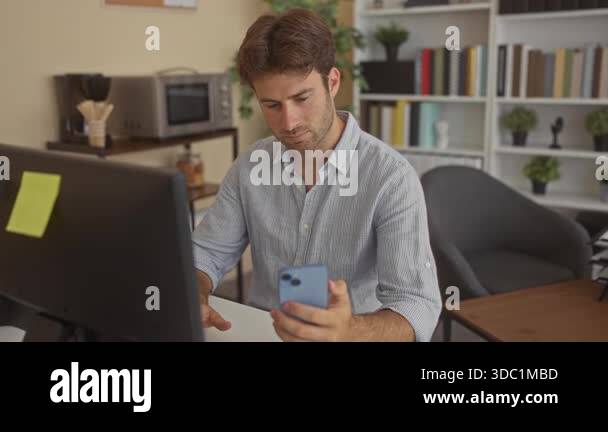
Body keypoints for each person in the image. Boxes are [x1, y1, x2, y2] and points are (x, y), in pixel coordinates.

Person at [193, 8, 441, 341]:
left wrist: (348, 331)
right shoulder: (251, 166)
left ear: (333, 82)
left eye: (301, 98)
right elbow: (206, 253)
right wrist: (195, 292)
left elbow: (416, 305)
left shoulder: (391, 178)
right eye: (272, 105)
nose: (289, 122)